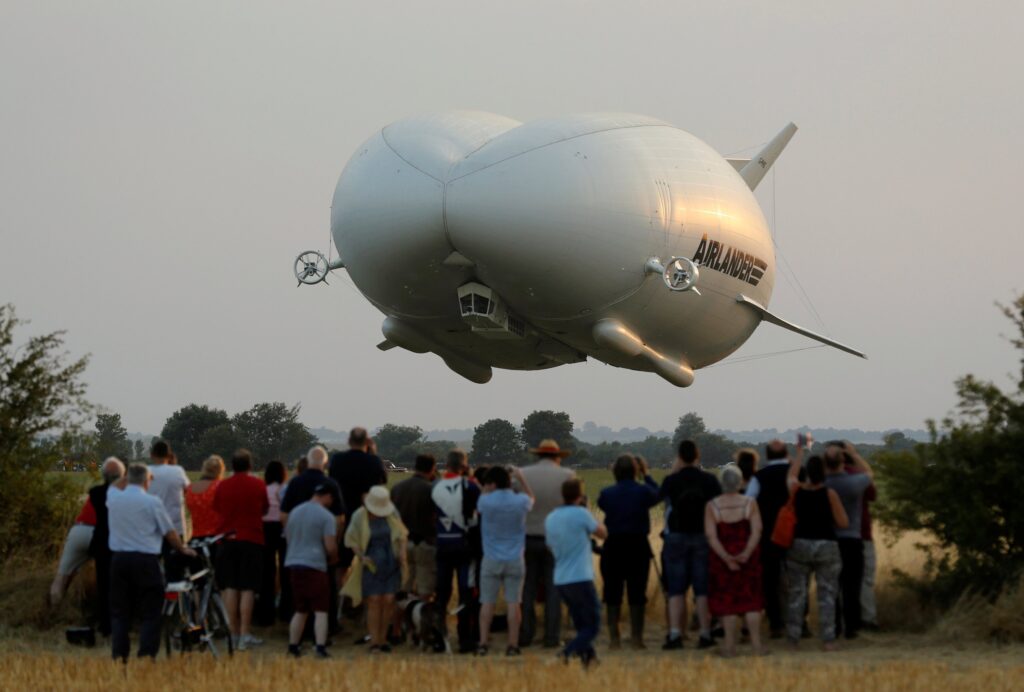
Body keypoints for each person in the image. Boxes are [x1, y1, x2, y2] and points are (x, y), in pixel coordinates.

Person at [107, 463, 196, 661]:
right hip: (145, 561)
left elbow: (114, 485)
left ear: (128, 479)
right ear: (148, 481)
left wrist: (128, 475)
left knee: (120, 612)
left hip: (119, 560)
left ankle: (119, 655)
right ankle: (146, 655)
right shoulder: (153, 502)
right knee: (151, 611)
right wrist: (182, 549)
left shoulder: (114, 497)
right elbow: (169, 532)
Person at [659, 439, 722, 650]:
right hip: (702, 535)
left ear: (679, 456)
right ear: (697, 456)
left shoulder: (671, 480)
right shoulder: (709, 480)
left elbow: (660, 500)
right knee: (702, 589)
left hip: (676, 536)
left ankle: (675, 634)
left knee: (676, 589)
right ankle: (705, 633)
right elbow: (718, 506)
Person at [785, 448, 849, 650]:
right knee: (827, 594)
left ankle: (793, 639)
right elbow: (843, 522)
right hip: (826, 546)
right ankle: (828, 640)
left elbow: (791, 476)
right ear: (824, 473)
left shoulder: (797, 491)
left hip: (799, 545)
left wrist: (799, 454)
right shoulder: (830, 494)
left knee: (797, 593)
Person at [596, 453, 659, 649]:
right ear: (635, 471)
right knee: (637, 592)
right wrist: (646, 475)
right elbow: (658, 493)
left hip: (613, 547)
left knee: (612, 593)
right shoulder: (643, 492)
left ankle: (614, 639)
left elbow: (602, 504)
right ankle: (637, 638)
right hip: (638, 546)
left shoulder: (606, 494)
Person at [519, 439, 576, 648]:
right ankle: (552, 636)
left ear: (538, 455)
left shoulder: (524, 475)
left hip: (529, 537)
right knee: (554, 589)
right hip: (555, 540)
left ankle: (525, 633)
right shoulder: (567, 476)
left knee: (528, 588)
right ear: (557, 456)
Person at [545, 478, 607, 667]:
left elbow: (549, 544)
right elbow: (602, 533)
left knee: (581, 623)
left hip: (561, 579)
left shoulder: (551, 517)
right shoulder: (581, 514)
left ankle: (590, 660)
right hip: (580, 576)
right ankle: (564, 655)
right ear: (580, 496)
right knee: (593, 625)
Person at [705, 464, 765, 657]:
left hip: (723, 559)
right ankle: (756, 646)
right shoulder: (750, 503)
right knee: (751, 601)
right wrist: (746, 554)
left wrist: (726, 558)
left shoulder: (712, 505)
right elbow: (757, 531)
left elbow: (711, 536)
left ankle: (729, 647)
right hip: (747, 558)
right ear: (740, 482)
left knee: (727, 603)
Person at [281, 446, 345, 626]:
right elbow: (339, 519)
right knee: (324, 591)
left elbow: (284, 516)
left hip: (297, 546)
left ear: (308, 462)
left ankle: (295, 624)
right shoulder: (331, 485)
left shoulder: (295, 483)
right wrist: (333, 542)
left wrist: (292, 538)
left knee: (297, 590)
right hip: (323, 547)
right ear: (325, 463)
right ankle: (326, 627)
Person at [213, 449, 269, 651]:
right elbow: (264, 508)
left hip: (227, 540)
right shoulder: (257, 484)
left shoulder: (223, 485)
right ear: (250, 465)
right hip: (251, 539)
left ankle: (233, 632)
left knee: (230, 587)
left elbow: (217, 507)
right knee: (248, 588)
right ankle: (245, 633)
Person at [476, 465, 534, 656]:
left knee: (487, 602)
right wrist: (522, 477)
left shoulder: (486, 501)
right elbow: (532, 499)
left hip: (491, 558)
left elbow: (480, 503)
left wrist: (485, 487)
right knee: (513, 603)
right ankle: (512, 644)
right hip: (515, 558)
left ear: (492, 483)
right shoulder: (520, 501)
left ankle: (483, 642)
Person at [342, 486, 408, 653]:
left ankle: (383, 638)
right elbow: (352, 539)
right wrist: (361, 557)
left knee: (388, 600)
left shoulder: (393, 514)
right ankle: (374, 641)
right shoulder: (359, 516)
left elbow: (402, 535)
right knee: (373, 601)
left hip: (391, 563)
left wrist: (402, 554)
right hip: (371, 563)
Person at [431, 449, 481, 653]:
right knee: (466, 594)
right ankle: (465, 640)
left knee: (441, 595)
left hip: (442, 544)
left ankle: (438, 639)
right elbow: (477, 517)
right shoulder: (470, 486)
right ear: (464, 465)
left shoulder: (435, 487)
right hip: (464, 546)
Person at [824, 441, 873, 640]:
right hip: (852, 538)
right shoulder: (854, 483)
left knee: (832, 586)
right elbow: (869, 474)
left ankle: (834, 626)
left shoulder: (824, 484)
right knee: (852, 586)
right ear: (843, 460)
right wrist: (854, 454)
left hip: (830, 539)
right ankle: (852, 627)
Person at [283, 484, 339, 658]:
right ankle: (320, 647)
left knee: (300, 609)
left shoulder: (295, 512)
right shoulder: (326, 516)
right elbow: (330, 546)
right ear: (327, 496)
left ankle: (293, 646)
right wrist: (334, 558)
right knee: (321, 609)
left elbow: (289, 538)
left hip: (294, 564)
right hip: (315, 565)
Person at [745, 439, 794, 638]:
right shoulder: (797, 472)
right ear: (786, 454)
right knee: (797, 580)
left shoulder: (759, 477)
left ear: (766, 456)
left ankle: (776, 623)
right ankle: (800, 621)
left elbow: (748, 504)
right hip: (794, 533)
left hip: (768, 536)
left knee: (770, 580)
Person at [328, 427, 387, 569]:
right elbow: (383, 480)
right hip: (368, 517)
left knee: (341, 564)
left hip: (343, 515)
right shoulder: (374, 461)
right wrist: (372, 452)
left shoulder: (337, 459)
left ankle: (340, 590)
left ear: (349, 441)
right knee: (370, 562)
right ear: (367, 441)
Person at [86, 457, 126, 635]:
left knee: (103, 586)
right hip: (121, 544)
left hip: (101, 544)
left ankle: (105, 625)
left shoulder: (95, 493)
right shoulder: (124, 494)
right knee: (122, 586)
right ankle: (122, 623)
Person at [390, 454, 438, 600]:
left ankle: (399, 620)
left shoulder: (397, 488)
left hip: (402, 543)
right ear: (432, 469)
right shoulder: (430, 490)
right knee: (425, 588)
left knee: (403, 587)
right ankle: (420, 617)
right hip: (424, 543)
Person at [147, 440, 190, 580]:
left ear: (152, 455)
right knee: (176, 573)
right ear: (169, 455)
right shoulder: (178, 471)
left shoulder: (146, 472)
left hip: (151, 528)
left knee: (150, 572)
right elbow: (187, 491)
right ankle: (175, 600)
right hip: (175, 528)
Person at [257, 460, 288, 627]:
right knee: (284, 569)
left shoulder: (263, 488)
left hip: (266, 527)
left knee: (267, 571)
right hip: (282, 528)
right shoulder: (284, 489)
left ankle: (265, 613)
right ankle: (285, 610)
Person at [184, 455, 225, 540]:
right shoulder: (220, 486)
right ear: (220, 470)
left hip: (196, 538)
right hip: (217, 539)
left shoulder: (190, 488)